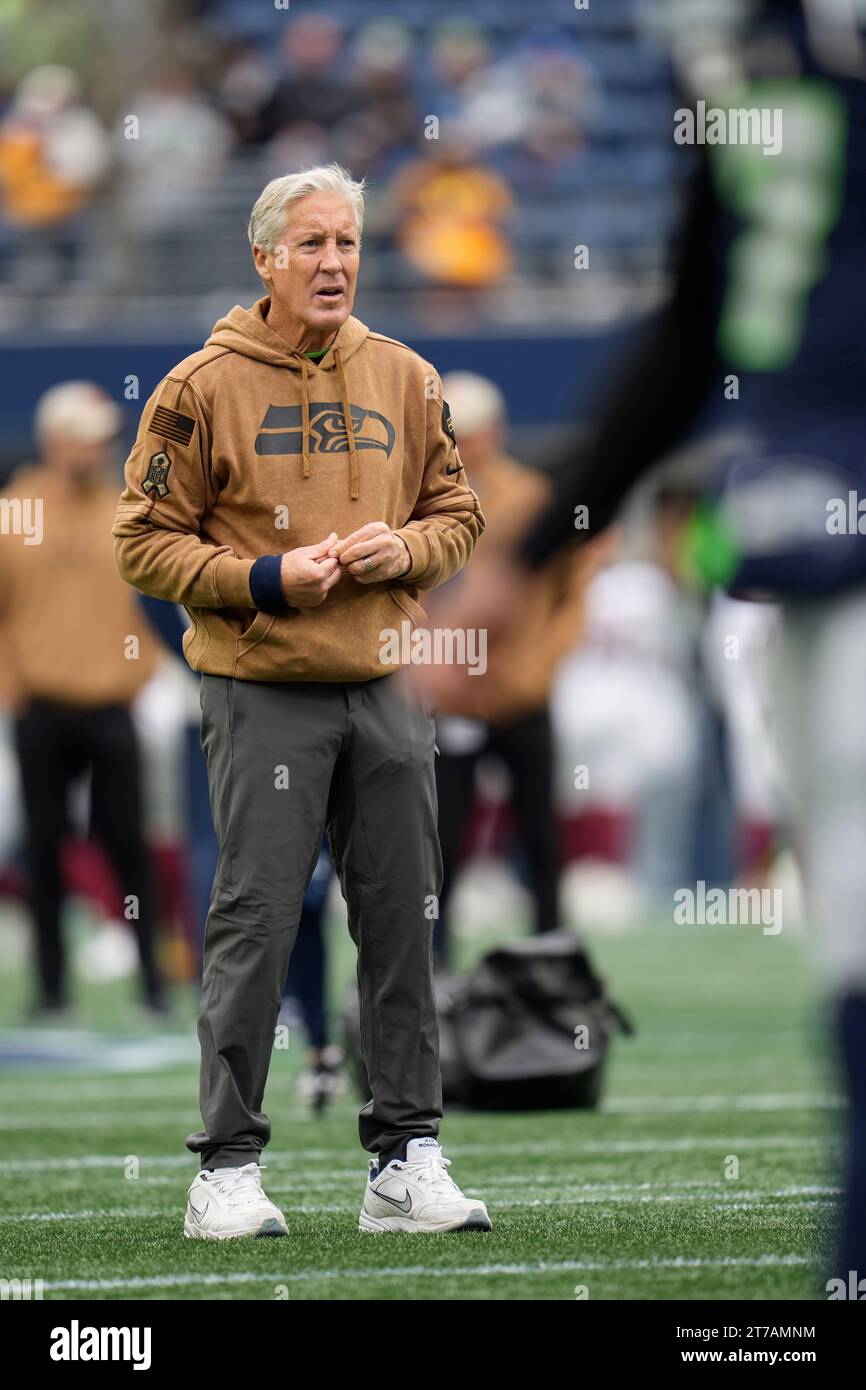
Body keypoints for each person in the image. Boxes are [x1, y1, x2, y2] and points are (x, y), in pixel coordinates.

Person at [453, 0, 866, 1286]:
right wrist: (525, 559)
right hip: (810, 560)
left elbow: (688, 330)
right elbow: (694, 323)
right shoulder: (758, 73)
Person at [112, 163, 490, 1238]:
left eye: (348, 243)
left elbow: (458, 512)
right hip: (261, 687)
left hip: (384, 682)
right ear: (265, 258)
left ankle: (403, 1156)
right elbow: (139, 542)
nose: (333, 263)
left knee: (403, 922)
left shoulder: (407, 376)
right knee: (257, 922)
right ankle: (223, 1168)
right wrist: (263, 580)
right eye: (312, 244)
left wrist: (404, 547)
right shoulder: (198, 385)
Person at [0, 381, 166, 1017]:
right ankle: (50, 988)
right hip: (39, 705)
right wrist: (14, 685)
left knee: (130, 843)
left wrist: (144, 669)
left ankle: (153, 980)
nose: (96, 451)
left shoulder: (127, 509)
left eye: (100, 439)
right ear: (52, 443)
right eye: (83, 440)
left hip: (111, 704)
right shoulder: (16, 509)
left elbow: (159, 601)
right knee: (43, 849)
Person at [423, 371, 591, 961]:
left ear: (496, 432)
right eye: (455, 432)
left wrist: (545, 661)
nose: (465, 444)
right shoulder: (419, 500)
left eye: (473, 431)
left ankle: (551, 956)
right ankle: (434, 963)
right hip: (454, 700)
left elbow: (575, 591)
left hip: (521, 695)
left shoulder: (532, 498)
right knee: (441, 842)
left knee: (540, 834)